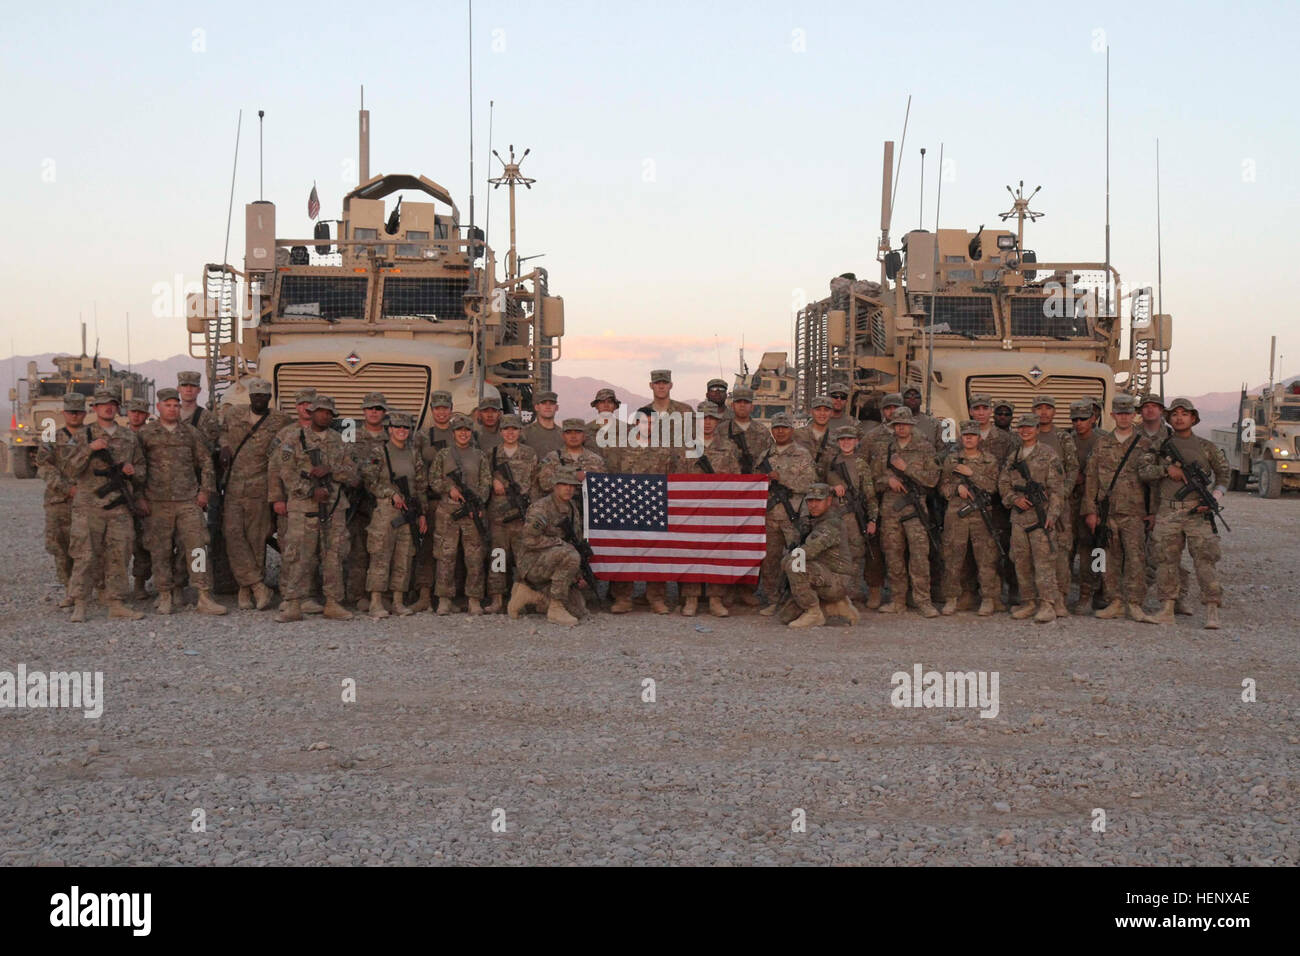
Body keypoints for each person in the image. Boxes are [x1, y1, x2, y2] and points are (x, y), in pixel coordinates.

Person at [1139, 397, 1229, 629]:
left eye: (1184, 414)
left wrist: (1214, 499)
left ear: (1193, 418)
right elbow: (1144, 471)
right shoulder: (1159, 445)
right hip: (1168, 510)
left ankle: (1212, 610)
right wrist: (1166, 470)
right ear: (1169, 418)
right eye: (1175, 414)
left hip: (1197, 512)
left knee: (1205, 561)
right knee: (1165, 561)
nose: (1179, 418)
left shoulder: (1207, 447)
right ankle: (1167, 609)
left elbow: (1224, 476)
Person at [136, 387, 226, 616]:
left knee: (197, 547)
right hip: (157, 501)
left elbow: (206, 462)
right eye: (168, 405)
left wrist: (205, 491)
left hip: (188, 500)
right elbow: (137, 467)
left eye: (176, 405)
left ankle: (202, 595)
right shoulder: (146, 434)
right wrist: (140, 497)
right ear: (158, 407)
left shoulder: (190, 433)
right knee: (160, 550)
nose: (173, 409)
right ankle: (164, 594)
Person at [62, 389, 146, 622]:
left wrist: (133, 472)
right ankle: (80, 602)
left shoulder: (129, 437)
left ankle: (116, 602)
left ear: (118, 408)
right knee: (85, 555)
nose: (108, 408)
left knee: (120, 553)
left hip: (120, 507)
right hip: (90, 506)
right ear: (95, 409)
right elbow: (69, 470)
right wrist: (90, 449)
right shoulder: (82, 436)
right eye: (103, 405)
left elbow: (142, 470)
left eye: (112, 404)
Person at [271, 396, 357, 622]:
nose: (325, 416)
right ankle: (293, 603)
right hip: (303, 506)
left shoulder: (340, 441)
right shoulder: (294, 439)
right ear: (312, 412)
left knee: (333, 555)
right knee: (299, 555)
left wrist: (330, 470)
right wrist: (310, 490)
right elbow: (286, 472)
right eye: (321, 411)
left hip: (333, 506)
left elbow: (353, 474)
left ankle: (332, 602)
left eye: (329, 413)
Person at [218, 378, 291, 610]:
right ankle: (257, 585)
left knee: (256, 539)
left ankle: (246, 590)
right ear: (249, 397)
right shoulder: (234, 415)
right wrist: (224, 446)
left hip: (260, 488)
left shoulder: (280, 421)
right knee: (232, 535)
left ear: (269, 398)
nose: (259, 399)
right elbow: (219, 434)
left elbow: (285, 450)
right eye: (255, 395)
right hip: (233, 487)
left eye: (263, 396)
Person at [1082, 394, 1155, 623]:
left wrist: (1153, 511)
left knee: (1136, 559)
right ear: (1112, 415)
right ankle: (1114, 601)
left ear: (1134, 415)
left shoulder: (1145, 444)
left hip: (1135, 512)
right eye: (1119, 413)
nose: (1123, 417)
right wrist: (1091, 511)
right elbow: (1091, 478)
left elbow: (1153, 483)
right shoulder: (1102, 443)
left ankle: (1134, 603)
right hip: (1108, 512)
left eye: (1127, 413)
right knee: (1107, 558)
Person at [607, 414, 685, 614]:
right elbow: (611, 476)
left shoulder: (665, 450)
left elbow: (675, 478)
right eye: (643, 422)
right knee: (625, 551)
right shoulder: (620, 450)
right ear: (635, 424)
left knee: (656, 552)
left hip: (656, 507)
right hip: (626, 508)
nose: (647, 426)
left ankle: (656, 598)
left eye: (651, 423)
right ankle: (623, 597)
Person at [874, 407, 941, 617]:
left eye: (905, 424)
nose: (901, 427)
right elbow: (872, 479)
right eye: (897, 424)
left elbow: (932, 480)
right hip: (891, 510)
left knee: (920, 556)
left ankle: (923, 601)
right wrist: (888, 480)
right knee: (893, 556)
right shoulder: (884, 449)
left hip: (915, 509)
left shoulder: (924, 448)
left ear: (912, 425)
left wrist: (906, 469)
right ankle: (897, 600)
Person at [360, 411, 427, 618]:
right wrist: (390, 493)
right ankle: (376, 601)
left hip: (409, 511)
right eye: (397, 427)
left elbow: (420, 485)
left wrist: (422, 513)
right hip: (386, 511)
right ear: (389, 430)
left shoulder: (413, 454)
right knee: (381, 554)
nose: (401, 431)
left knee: (404, 556)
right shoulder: (379, 452)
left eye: (405, 428)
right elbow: (369, 481)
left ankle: (398, 600)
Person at [1000, 413, 1065, 623]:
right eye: (1022, 428)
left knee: (1044, 562)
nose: (1025, 431)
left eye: (1030, 427)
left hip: (1041, 517)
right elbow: (1003, 484)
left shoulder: (1048, 454)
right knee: (1021, 561)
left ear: (1038, 430)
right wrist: (1013, 499)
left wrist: (1053, 515)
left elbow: (1057, 489)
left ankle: (1047, 604)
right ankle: (1028, 602)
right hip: (1019, 519)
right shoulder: (1014, 456)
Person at [680, 401, 740, 618]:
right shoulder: (686, 447)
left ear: (717, 421)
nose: (707, 423)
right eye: (704, 418)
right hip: (691, 508)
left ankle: (716, 598)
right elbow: (678, 478)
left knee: (717, 550)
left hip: (718, 509)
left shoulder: (728, 447)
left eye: (712, 419)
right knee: (691, 551)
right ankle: (691, 597)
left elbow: (736, 478)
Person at [509, 465, 588, 626]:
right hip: (531, 563)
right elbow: (528, 540)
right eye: (564, 484)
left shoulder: (572, 508)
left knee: (578, 610)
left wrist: (579, 573)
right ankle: (555, 608)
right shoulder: (541, 508)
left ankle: (530, 595)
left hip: (555, 560)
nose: (569, 489)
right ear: (555, 485)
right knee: (570, 555)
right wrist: (559, 544)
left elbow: (576, 542)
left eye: (572, 485)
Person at [430, 414, 492, 615]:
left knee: (474, 557)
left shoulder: (480, 456)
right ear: (453, 433)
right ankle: (444, 599)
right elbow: (433, 480)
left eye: (467, 430)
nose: (463, 434)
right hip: (448, 513)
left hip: (472, 513)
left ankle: (474, 599)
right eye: (459, 430)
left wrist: (477, 501)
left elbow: (486, 483)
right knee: (445, 556)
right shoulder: (443, 455)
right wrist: (449, 489)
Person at [938, 421, 1002, 616]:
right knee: (953, 557)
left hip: (981, 516)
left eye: (972, 435)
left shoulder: (989, 460)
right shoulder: (951, 460)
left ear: (979, 439)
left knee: (985, 558)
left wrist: (972, 474)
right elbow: (942, 487)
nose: (968, 438)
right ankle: (951, 598)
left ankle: (988, 599)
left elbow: (993, 487)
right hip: (956, 515)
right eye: (965, 435)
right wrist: (956, 489)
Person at [757, 413, 816, 615]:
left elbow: (809, 483)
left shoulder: (802, 454)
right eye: (777, 427)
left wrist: (781, 478)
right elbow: (754, 485)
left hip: (794, 516)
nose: (780, 431)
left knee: (796, 560)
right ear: (772, 430)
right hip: (769, 516)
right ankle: (772, 599)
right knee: (770, 561)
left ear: (792, 430)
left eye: (784, 427)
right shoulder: (764, 456)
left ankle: (797, 600)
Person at [780, 483, 859, 628]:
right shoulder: (813, 520)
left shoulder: (831, 523)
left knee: (795, 564)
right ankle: (837, 606)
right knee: (786, 616)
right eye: (810, 501)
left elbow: (808, 551)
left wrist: (786, 562)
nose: (814, 505)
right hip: (826, 574)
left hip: (839, 580)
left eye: (818, 501)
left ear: (829, 501)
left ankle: (814, 613)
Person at [36, 392, 87, 606]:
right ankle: (70, 591)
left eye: (78, 411)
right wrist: (66, 488)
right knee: (60, 547)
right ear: (64, 413)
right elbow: (44, 467)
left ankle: (91, 589)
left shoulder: (92, 436)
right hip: (58, 502)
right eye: (71, 412)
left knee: (87, 547)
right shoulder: (51, 437)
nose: (75, 415)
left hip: (86, 501)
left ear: (85, 413)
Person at [486, 414, 541, 614]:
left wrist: (532, 510)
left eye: (514, 429)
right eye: (506, 429)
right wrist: (492, 481)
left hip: (522, 516)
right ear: (501, 432)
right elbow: (482, 479)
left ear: (520, 431)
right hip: (499, 517)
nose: (510, 433)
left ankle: (522, 597)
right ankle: (497, 598)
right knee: (498, 557)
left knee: (523, 559)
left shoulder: (529, 454)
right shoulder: (492, 453)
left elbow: (536, 483)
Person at [409, 389, 458, 612]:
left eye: (445, 408)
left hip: (454, 502)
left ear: (451, 410)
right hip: (430, 499)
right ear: (432, 410)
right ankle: (424, 594)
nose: (441, 412)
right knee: (427, 548)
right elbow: (416, 468)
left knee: (452, 550)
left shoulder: (461, 433)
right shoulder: (421, 436)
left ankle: (449, 595)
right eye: (437, 408)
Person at [345, 392, 391, 610]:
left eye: (379, 408)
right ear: (363, 411)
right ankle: (356, 595)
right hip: (358, 501)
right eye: (371, 408)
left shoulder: (393, 436)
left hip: (383, 501)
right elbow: (341, 462)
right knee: (358, 550)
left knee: (383, 549)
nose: (374, 412)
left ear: (384, 412)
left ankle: (382, 593)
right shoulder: (350, 435)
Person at [1031, 395, 1078, 606]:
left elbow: (1073, 468)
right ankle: (1036, 599)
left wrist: (1063, 493)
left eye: (1047, 408)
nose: (1043, 413)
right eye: (1039, 408)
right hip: (1032, 506)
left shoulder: (1063, 437)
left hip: (1059, 504)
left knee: (1060, 551)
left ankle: (1060, 599)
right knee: (1034, 552)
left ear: (1054, 412)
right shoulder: (1026, 435)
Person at [826, 424, 877, 603]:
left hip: (854, 517)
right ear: (838, 442)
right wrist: (832, 487)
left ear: (856, 441)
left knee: (856, 553)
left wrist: (872, 519)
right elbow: (816, 484)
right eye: (843, 439)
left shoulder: (861, 464)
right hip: (833, 515)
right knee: (833, 553)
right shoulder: (830, 462)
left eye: (850, 439)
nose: (846, 443)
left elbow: (869, 495)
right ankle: (834, 591)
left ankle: (852, 592)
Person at [1067, 398, 1104, 611]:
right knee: (1068, 548)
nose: (1079, 423)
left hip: (1095, 502)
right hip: (1071, 502)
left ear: (1093, 418)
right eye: (1075, 419)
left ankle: (1093, 593)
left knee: (1095, 550)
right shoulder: (1068, 440)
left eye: (1083, 418)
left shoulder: (1103, 441)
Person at [537, 419, 606, 496]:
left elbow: (603, 487)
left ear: (584, 436)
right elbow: (545, 485)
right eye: (568, 432)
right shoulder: (552, 458)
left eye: (578, 432)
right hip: (561, 505)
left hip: (588, 504)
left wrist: (587, 479)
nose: (573, 436)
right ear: (563, 436)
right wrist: (574, 476)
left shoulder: (596, 460)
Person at [794, 395, 837, 481]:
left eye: (826, 410)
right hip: (799, 488)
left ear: (832, 413)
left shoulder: (837, 439)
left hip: (826, 489)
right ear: (811, 412)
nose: (822, 413)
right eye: (818, 410)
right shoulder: (797, 435)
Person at [521, 390, 565, 459]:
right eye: (544, 403)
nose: (548, 406)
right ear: (536, 407)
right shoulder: (524, 433)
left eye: (552, 403)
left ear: (556, 408)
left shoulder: (563, 435)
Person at [584, 387, 621, 453]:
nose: (606, 405)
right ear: (596, 406)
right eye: (602, 402)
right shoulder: (585, 431)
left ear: (615, 406)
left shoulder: (626, 429)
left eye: (610, 402)